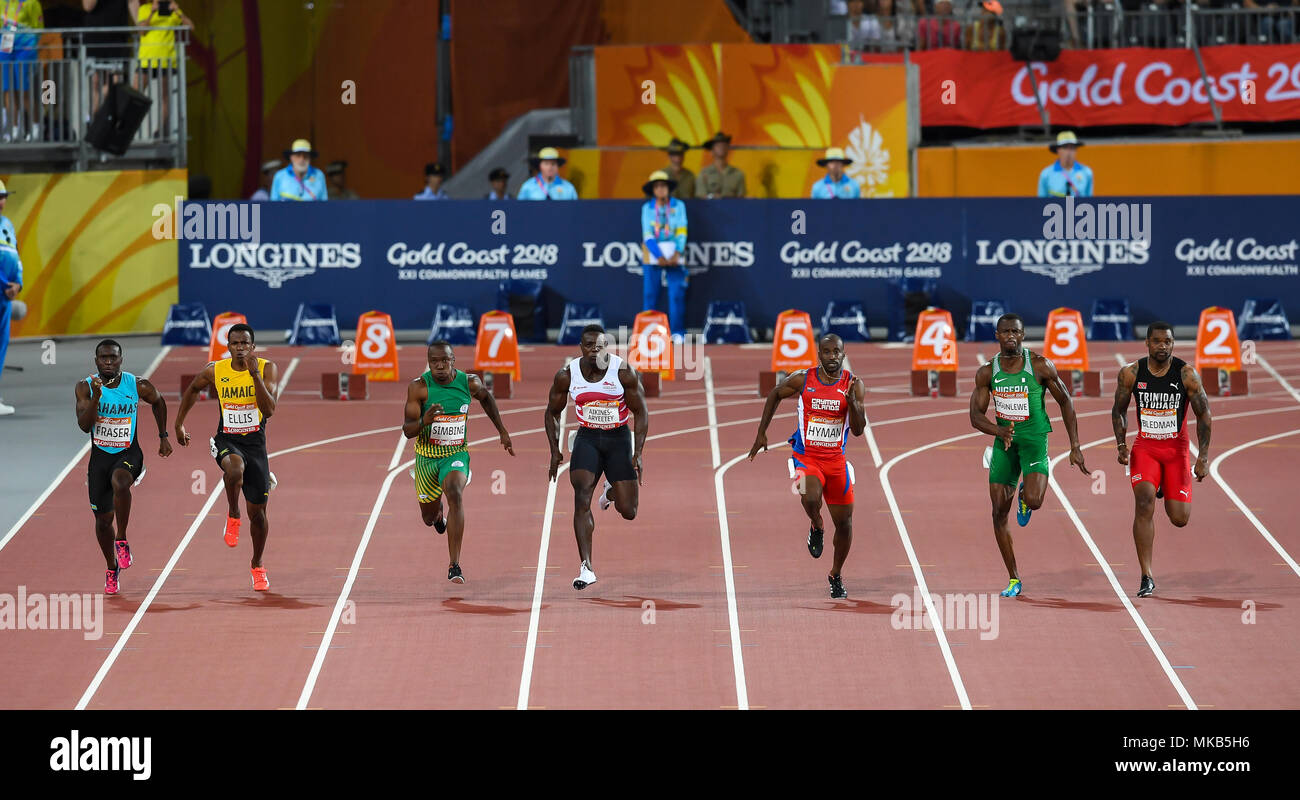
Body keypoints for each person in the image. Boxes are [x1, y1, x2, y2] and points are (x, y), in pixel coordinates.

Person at [969, 313, 1089, 598]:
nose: (1011, 336)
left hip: (1034, 441)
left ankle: (1024, 495)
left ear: (1023, 335)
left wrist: (1075, 446)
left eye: (1016, 331)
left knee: (1034, 501)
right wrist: (998, 432)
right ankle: (1013, 578)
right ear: (997, 336)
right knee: (998, 511)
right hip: (1005, 443)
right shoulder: (987, 372)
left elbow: (1066, 401)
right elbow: (975, 416)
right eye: (1005, 331)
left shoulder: (1039, 365)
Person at [748, 334, 866, 599]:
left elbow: (858, 431)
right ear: (819, 355)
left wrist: (854, 404)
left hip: (836, 461)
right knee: (809, 497)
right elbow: (775, 394)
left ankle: (835, 574)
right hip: (806, 457)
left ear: (843, 354)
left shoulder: (854, 386)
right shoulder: (804, 379)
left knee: (845, 524)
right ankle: (816, 524)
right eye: (827, 352)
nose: (832, 357)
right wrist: (761, 433)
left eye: (837, 352)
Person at [174, 324, 279, 591]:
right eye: (235, 343)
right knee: (234, 470)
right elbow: (193, 389)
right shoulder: (216, 370)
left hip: (256, 445)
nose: (240, 348)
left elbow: (269, 410)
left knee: (259, 514)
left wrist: (255, 375)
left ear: (253, 347)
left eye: (245, 343)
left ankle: (257, 565)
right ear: (228, 347)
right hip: (227, 440)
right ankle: (233, 514)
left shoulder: (267, 369)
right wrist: (179, 424)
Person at [545, 325, 649, 590]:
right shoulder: (567, 375)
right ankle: (586, 567)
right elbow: (552, 413)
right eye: (590, 346)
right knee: (581, 498)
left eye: (600, 346)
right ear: (581, 348)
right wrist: (555, 451)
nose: (595, 350)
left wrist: (638, 453)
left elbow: (641, 412)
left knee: (629, 512)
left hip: (618, 439)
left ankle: (611, 491)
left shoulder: (623, 372)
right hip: (587, 439)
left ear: (607, 347)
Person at [1112, 322, 1212, 598]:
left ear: (1173, 344)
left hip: (1176, 449)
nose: (1162, 346)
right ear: (1147, 343)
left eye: (1167, 341)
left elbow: (1204, 415)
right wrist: (1121, 444)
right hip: (1145, 447)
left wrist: (1202, 457)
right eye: (1157, 341)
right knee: (1143, 502)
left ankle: (1164, 485)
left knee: (1179, 518)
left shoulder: (1187, 375)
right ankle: (1146, 575)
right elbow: (1118, 410)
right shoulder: (1131, 373)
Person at [402, 341, 515, 583]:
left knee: (455, 492)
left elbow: (486, 399)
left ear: (453, 360)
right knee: (428, 518)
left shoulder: (469, 383)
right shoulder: (419, 388)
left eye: (445, 360)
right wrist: (425, 421)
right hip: (426, 458)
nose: (440, 366)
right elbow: (407, 431)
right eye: (434, 362)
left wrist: (502, 431)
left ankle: (454, 565)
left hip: (455, 454)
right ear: (429, 363)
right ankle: (438, 515)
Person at [74, 340, 171, 594]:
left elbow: (159, 401)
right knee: (103, 520)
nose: (108, 362)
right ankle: (111, 567)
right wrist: (96, 397)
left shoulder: (136, 385)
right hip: (99, 459)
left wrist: (163, 436)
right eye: (103, 358)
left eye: (113, 358)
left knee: (120, 481)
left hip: (129, 453)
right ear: (96, 361)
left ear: (121, 360)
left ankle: (123, 538)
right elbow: (85, 425)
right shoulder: (85, 387)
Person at [640, 170, 689, 340]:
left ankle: (677, 332)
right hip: (654, 254)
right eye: (657, 186)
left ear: (668, 188)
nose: (661, 189)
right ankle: (649, 333)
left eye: (664, 185)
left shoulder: (679, 206)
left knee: (676, 294)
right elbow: (647, 234)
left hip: (675, 253)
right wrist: (658, 255)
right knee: (650, 294)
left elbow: (682, 230)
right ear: (653, 190)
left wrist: (677, 252)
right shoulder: (647, 208)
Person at [133, 0, 191, 138]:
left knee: (165, 96)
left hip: (166, 60)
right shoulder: (145, 9)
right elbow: (141, 31)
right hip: (147, 59)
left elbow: (190, 27)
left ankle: (160, 132)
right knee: (134, 96)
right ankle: (128, 129)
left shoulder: (172, 10)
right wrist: (152, 13)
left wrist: (178, 12)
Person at [1, 0, 42, 143]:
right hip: (5, 44)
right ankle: (14, 130)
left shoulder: (32, 3)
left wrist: (30, 45)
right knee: (8, 89)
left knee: (24, 89)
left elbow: (39, 29)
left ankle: (36, 128)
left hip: (25, 46)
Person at [0, 178, 21, 416]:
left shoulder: (8, 224)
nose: (1, 202)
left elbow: (16, 256)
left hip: (5, 296)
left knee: (1, 345)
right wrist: (5, 284)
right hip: (1, 290)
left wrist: (18, 284)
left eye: (3, 197)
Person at [1038, 131, 1094, 198]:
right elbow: (1040, 202)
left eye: (1072, 148)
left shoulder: (1086, 172)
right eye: (1065, 147)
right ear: (1058, 150)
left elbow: (1090, 201)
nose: (1069, 152)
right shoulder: (1046, 174)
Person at [697, 132, 746, 198]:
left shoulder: (738, 174)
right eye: (718, 145)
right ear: (712, 151)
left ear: (728, 149)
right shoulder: (704, 173)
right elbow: (700, 196)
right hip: (710, 207)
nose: (721, 148)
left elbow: (741, 197)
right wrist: (712, 196)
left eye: (724, 145)